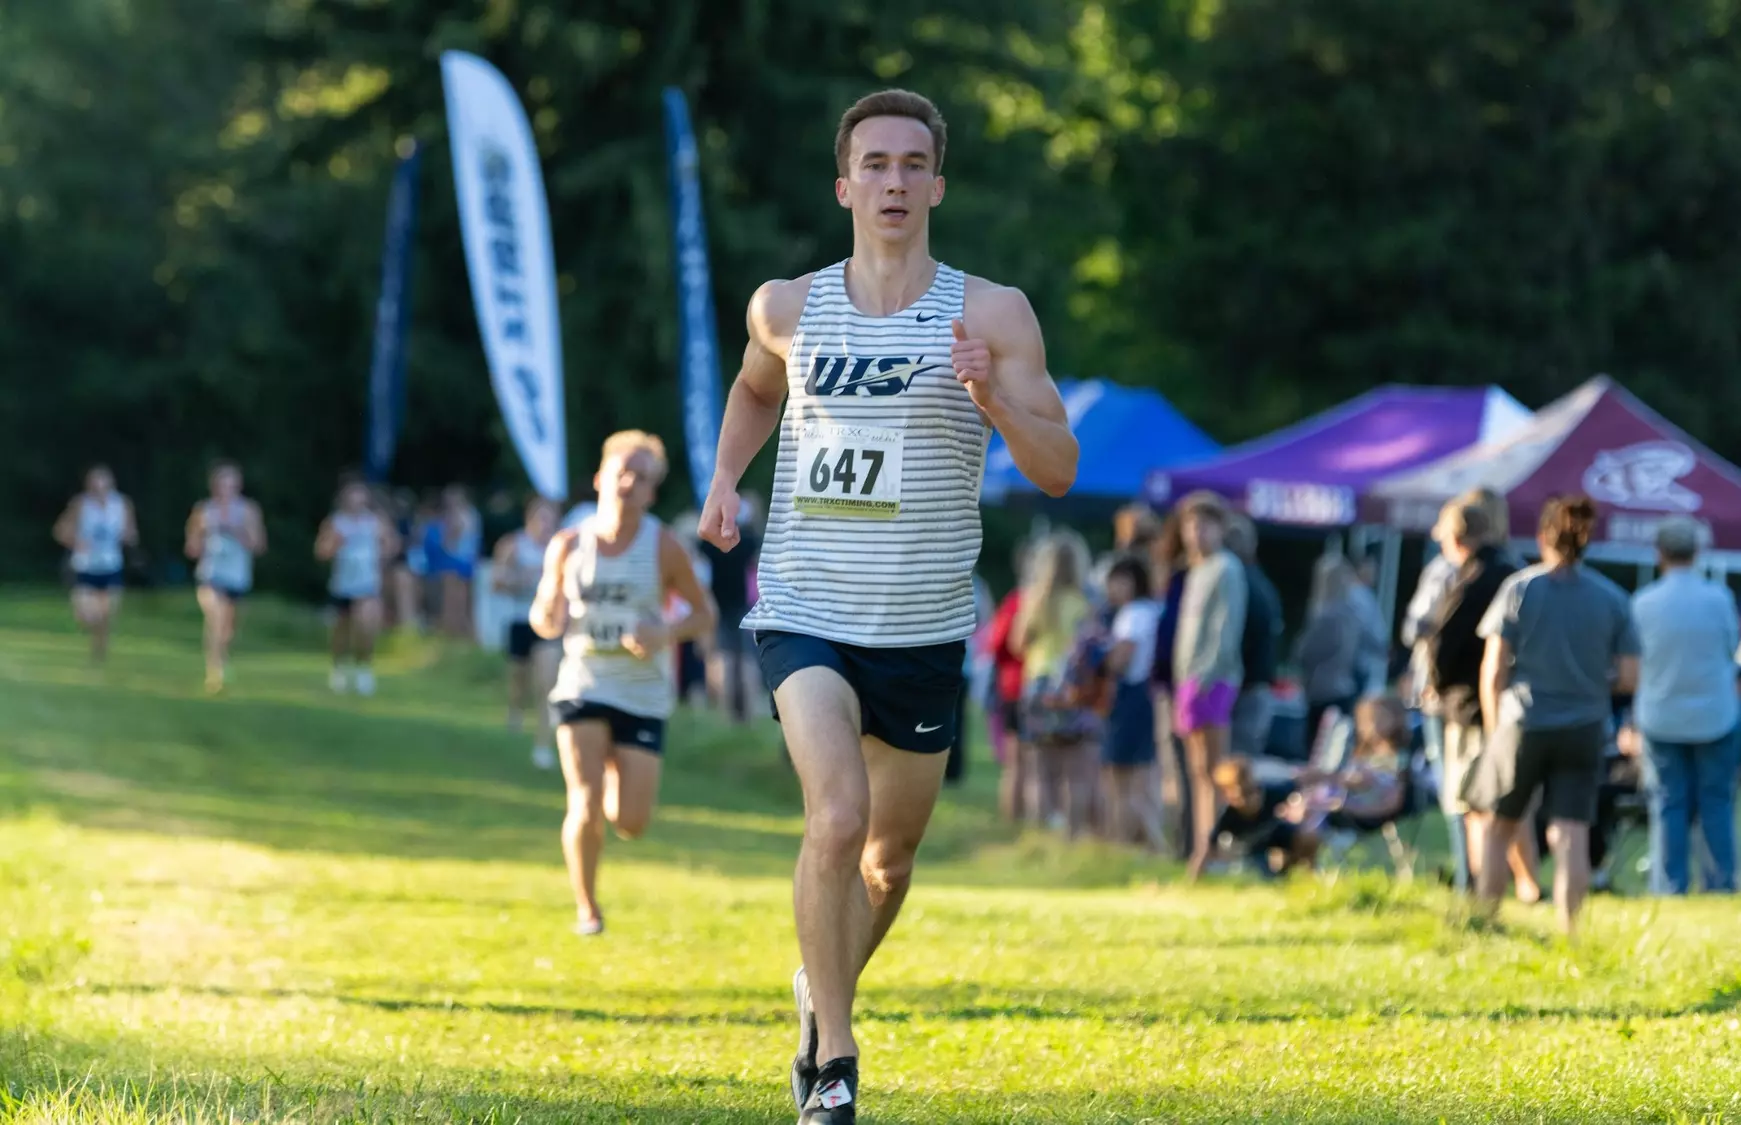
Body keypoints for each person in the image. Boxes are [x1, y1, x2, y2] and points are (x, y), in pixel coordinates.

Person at [695, 88, 1076, 1124]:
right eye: (875, 163)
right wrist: (725, 475)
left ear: (937, 185)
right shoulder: (785, 307)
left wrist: (990, 398)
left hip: (921, 627)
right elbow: (756, 390)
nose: (894, 182)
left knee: (887, 862)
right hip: (806, 608)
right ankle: (834, 1056)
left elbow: (1057, 465)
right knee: (836, 816)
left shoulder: (990, 314)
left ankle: (820, 988)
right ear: (843, 185)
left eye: (913, 164)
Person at [532, 431, 717, 936]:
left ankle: (617, 769)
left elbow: (705, 615)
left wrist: (664, 633)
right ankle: (587, 908)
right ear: (600, 477)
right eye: (623, 472)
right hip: (583, 683)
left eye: (642, 477)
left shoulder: (664, 547)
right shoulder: (569, 544)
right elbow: (544, 618)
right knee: (584, 801)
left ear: (652, 492)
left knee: (631, 822)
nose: (630, 483)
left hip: (642, 692)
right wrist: (548, 612)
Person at [1472, 495, 1638, 936]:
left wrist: (1493, 728)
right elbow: (1628, 677)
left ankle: (1483, 922)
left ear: (1543, 535)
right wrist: (1589, 681)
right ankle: (1570, 931)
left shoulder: (1520, 589)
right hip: (1584, 726)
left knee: (1500, 826)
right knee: (1571, 832)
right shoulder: (1611, 598)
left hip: (1523, 722)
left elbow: (1493, 669)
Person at [1421, 499, 1536, 901]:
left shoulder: (1471, 579)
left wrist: (1436, 684)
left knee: (1477, 805)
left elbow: (1441, 643)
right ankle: (1526, 885)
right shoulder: (1516, 575)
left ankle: (1484, 889)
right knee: (1511, 803)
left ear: (1455, 538)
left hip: (1470, 707)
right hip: (1515, 705)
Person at [1630, 517, 1741, 895]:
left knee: (1667, 803)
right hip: (1715, 714)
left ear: (1659, 553)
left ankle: (1669, 885)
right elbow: (1731, 648)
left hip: (1661, 716)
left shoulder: (1643, 602)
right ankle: (1721, 882)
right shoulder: (1719, 599)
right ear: (1696, 552)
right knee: (1716, 802)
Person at [1173, 493, 1247, 881]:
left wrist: (1204, 677)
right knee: (1198, 770)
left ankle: (1215, 849)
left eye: (1204, 525)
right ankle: (1203, 847)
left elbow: (1225, 631)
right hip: (1188, 680)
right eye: (1191, 525)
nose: (1196, 533)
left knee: (1216, 771)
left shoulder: (1226, 568)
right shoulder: (1196, 570)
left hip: (1212, 680)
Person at [1014, 531, 1098, 838]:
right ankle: (1072, 834)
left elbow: (1017, 644)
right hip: (1071, 688)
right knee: (1074, 770)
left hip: (1038, 683)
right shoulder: (1085, 602)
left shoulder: (1034, 600)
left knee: (1040, 769)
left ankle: (1040, 832)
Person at [184, 461, 266, 694]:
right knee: (216, 618)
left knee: (228, 628)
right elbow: (191, 547)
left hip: (237, 576)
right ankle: (214, 670)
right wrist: (200, 537)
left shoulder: (248, 511)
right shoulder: (204, 510)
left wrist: (237, 531)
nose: (226, 490)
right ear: (214, 486)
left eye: (231, 485)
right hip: (210, 574)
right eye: (222, 484)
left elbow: (259, 545)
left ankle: (222, 657)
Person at [1101, 556, 1165, 850]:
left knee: (1121, 774)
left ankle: (1125, 839)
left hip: (1130, 696)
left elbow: (1121, 660)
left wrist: (1101, 659)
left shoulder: (1133, 614)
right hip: (1148, 696)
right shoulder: (1153, 610)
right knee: (1141, 773)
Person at [494, 497, 563, 768]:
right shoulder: (514, 545)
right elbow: (496, 582)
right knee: (518, 678)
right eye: (541, 518)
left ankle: (543, 746)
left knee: (547, 683)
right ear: (529, 520)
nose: (546, 524)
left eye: (550, 519)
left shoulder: (562, 547)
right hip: (520, 620)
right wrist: (520, 579)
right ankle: (515, 709)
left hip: (549, 625)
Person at [315, 478, 399, 696]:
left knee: (365, 627)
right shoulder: (336, 522)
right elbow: (321, 552)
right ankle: (339, 667)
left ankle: (364, 668)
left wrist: (381, 555)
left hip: (367, 584)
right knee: (341, 631)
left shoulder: (375, 522)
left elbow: (392, 545)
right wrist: (335, 543)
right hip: (342, 585)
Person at [52, 465, 137, 663]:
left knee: (106, 615)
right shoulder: (80, 504)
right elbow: (60, 531)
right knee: (87, 615)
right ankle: (94, 637)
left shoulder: (121, 504)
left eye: (103, 481)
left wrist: (128, 537)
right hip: (85, 565)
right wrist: (76, 542)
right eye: (95, 482)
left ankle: (99, 651)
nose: (99, 486)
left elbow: (131, 532)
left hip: (111, 565)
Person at [701, 493, 763, 724]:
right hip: (743, 604)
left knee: (723, 657)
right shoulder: (748, 541)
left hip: (717, 603)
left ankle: (726, 714)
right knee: (746, 658)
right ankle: (750, 713)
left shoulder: (710, 542)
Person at [1294, 555, 1363, 759]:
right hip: (1344, 687)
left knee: (1317, 753)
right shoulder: (1352, 614)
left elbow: (1306, 652)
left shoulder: (1326, 616)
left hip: (1322, 690)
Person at [1223, 514, 1280, 759]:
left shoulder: (1239, 584)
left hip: (1242, 691)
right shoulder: (1262, 583)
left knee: (1233, 766)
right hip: (1257, 688)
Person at [1207, 757, 1318, 877]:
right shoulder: (1228, 815)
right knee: (1263, 872)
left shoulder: (1270, 793)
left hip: (1277, 837)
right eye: (1243, 795)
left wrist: (1301, 807)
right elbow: (1211, 845)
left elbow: (1298, 784)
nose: (1250, 799)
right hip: (1252, 853)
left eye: (1251, 791)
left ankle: (1308, 874)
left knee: (1308, 837)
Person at [423, 485, 481, 639]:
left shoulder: (468, 517)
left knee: (458, 584)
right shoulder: (441, 522)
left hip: (462, 564)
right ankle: (452, 625)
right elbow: (443, 547)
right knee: (453, 583)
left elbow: (464, 547)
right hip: (448, 564)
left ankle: (458, 625)